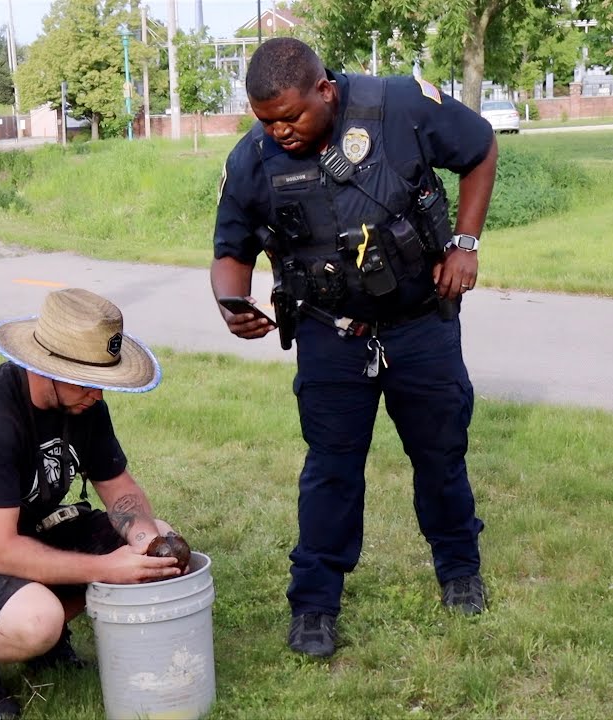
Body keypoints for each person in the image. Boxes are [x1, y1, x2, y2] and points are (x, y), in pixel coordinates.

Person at [210, 38, 499, 659]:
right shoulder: (252, 160)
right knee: (331, 469)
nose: (280, 130)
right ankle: (314, 604)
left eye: (291, 115)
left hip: (421, 322)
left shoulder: (399, 104)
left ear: (327, 89)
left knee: (440, 454)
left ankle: (459, 571)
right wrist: (231, 304)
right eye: (267, 120)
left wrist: (465, 244)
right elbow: (230, 251)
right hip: (328, 333)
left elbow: (479, 149)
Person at [0, 288, 183, 720]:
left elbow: (118, 487)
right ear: (47, 366)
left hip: (23, 536)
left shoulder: (84, 402)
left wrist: (144, 542)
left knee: (158, 534)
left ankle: (46, 642)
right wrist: (110, 569)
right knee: (38, 621)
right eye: (89, 382)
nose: (99, 395)